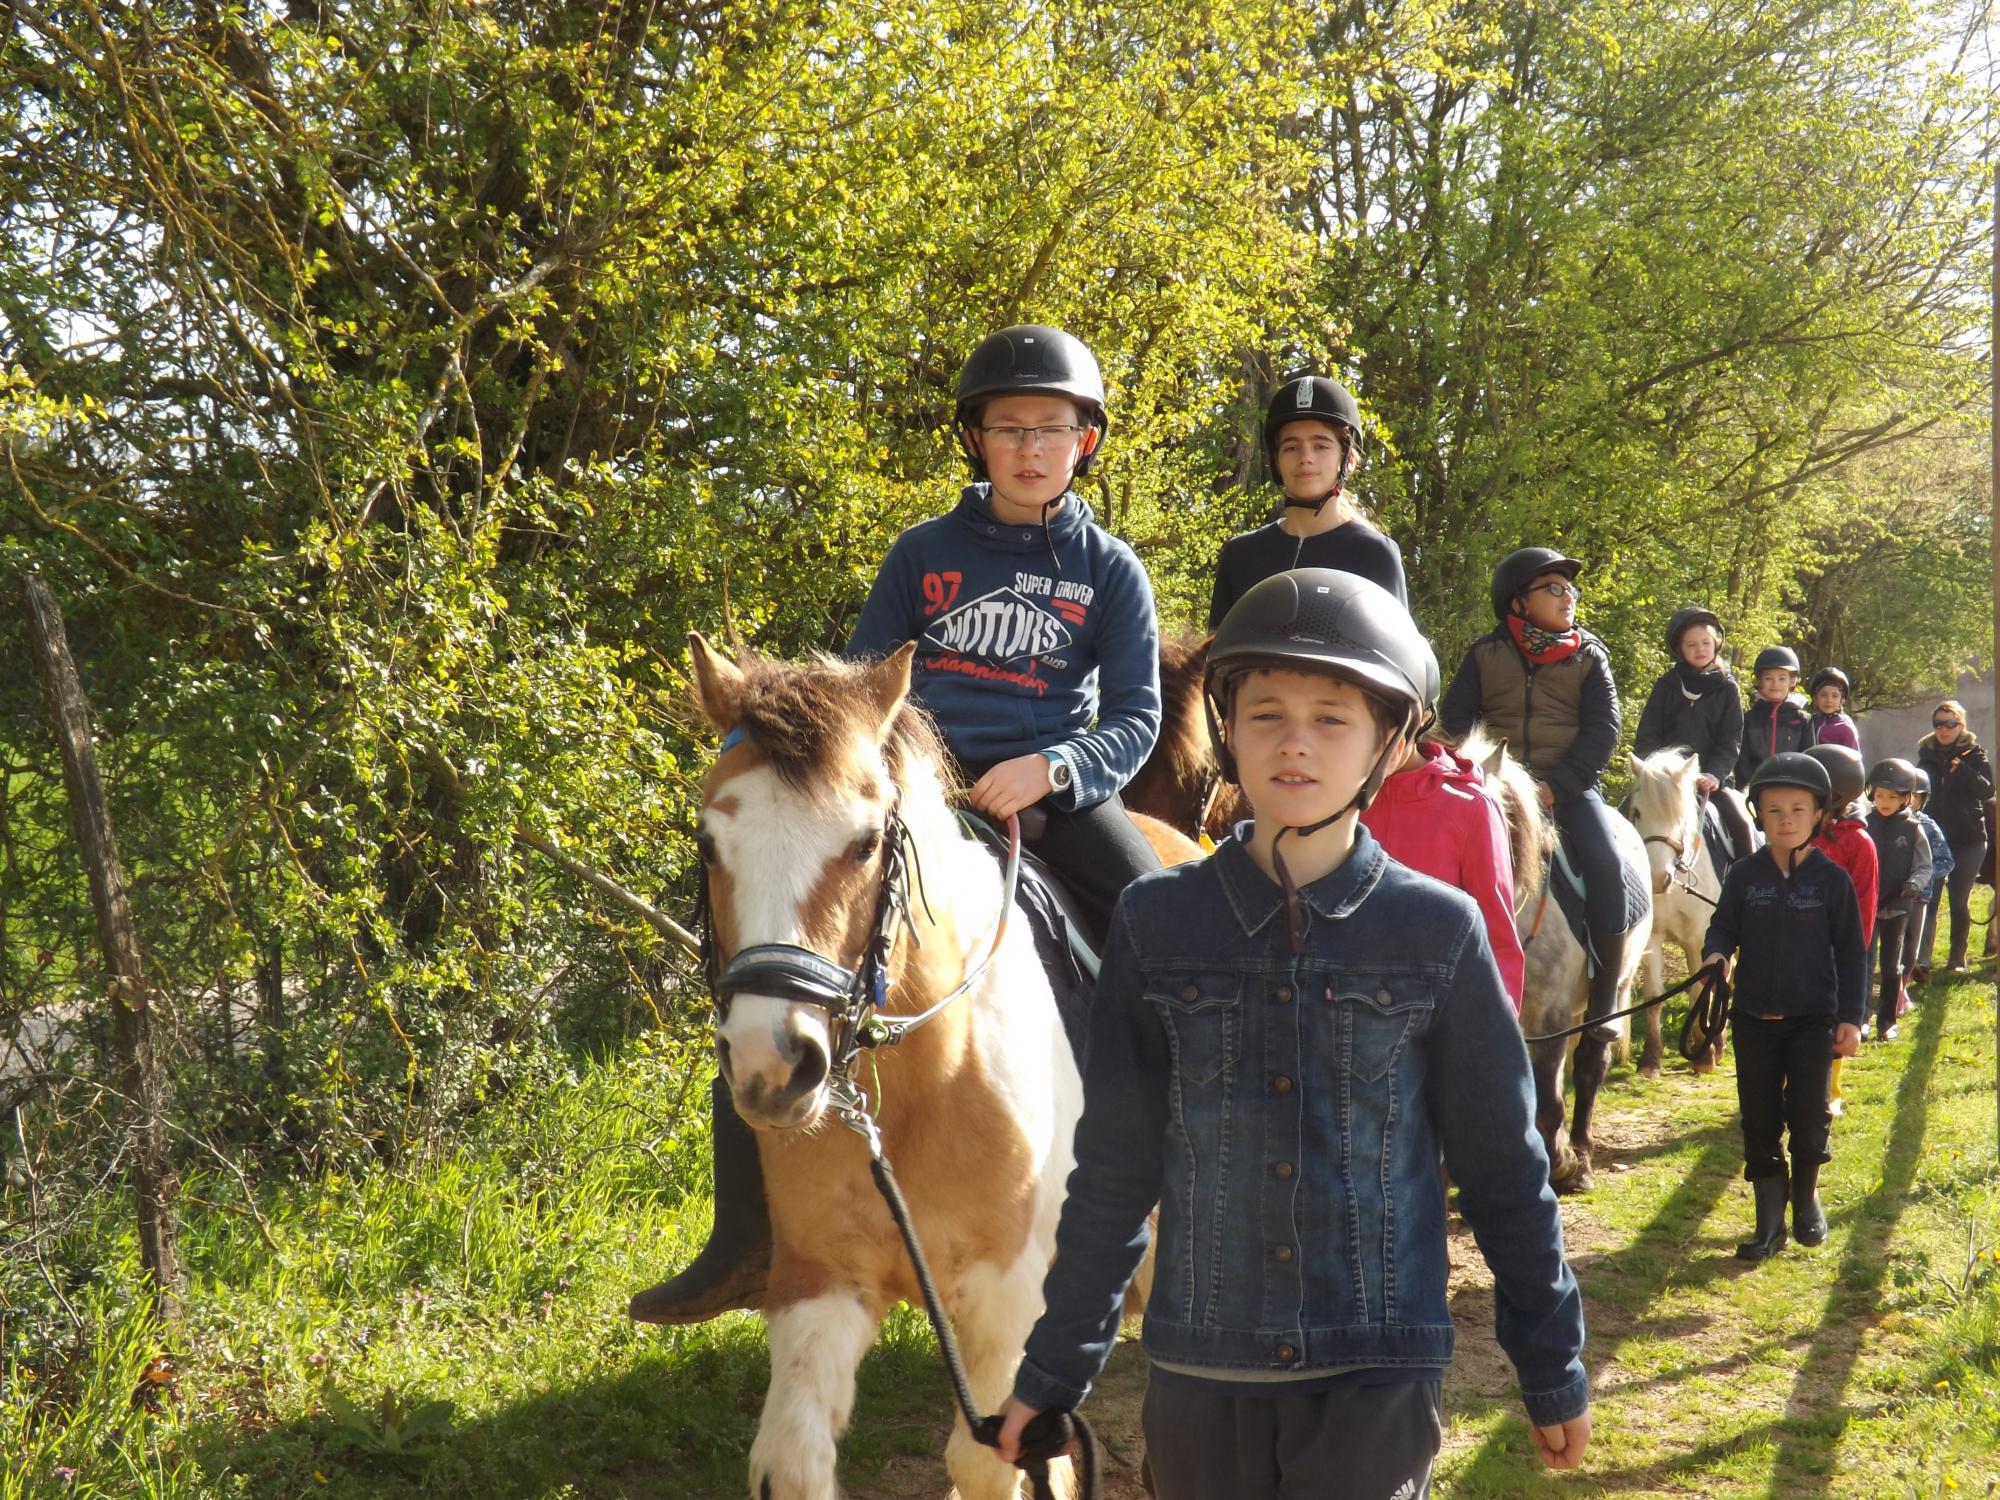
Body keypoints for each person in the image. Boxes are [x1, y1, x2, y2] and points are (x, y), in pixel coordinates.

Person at [995, 569, 1591, 1498]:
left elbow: (1504, 1168)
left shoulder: (1439, 932)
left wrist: (1551, 1361)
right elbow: (1114, 1172)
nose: (1295, 743)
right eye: (1266, 714)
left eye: (1331, 718)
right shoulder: (1154, 923)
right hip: (1201, 1379)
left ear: (1387, 742)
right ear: (1227, 730)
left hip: (1375, 1377)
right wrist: (1052, 1370)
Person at [629, 325, 1164, 1327]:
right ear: (976, 440)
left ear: (1084, 442)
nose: (1029, 447)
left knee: (1162, 925)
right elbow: (855, 698)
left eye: (1050, 429)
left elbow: (1136, 717)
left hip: (1052, 796)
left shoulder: (1109, 569)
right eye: (1008, 428)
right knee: (774, 973)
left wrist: (1052, 768)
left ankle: (1159, 1191)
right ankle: (742, 1243)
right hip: (917, 799)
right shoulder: (923, 554)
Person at [1440, 546, 1641, 1040]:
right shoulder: (1483, 655)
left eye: (1570, 589)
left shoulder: (1590, 656)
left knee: (1607, 866)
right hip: (1495, 785)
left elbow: (1604, 731)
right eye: (1553, 588)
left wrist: (1559, 785)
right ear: (1518, 602)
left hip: (1567, 789)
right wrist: (1468, 772)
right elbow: (1455, 722)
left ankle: (1603, 1003)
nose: (1567, 596)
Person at [1702, 752, 1867, 1261]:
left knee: (1809, 1115)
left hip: (1813, 1020)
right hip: (1753, 1018)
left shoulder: (1832, 880)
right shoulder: (1743, 875)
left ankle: (1806, 1197)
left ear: (1818, 814)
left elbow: (1852, 953)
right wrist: (1716, 955)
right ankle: (1768, 1221)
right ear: (1758, 814)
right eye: (1774, 810)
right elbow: (1723, 926)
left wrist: (1851, 1018)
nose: (1786, 819)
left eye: (1798, 809)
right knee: (1759, 1120)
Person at [1360, 632, 1526, 1012]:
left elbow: (1498, 943)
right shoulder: (1331, 802)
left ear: (1420, 718)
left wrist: (1492, 1036)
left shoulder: (1471, 809)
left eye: (1386, 714)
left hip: (1432, 1023)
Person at [1208, 376, 1406, 627]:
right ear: (1276, 461)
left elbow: (1395, 647)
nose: (1305, 458)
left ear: (1348, 459)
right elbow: (1217, 648)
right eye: (1291, 448)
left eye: (1321, 446)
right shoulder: (1240, 555)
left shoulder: (1374, 554)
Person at [1632, 605, 1753, 857]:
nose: (1700, 649)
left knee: (1742, 825)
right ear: (1679, 649)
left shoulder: (1728, 688)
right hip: (1665, 781)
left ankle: (1750, 877)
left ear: (1716, 644)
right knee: (1623, 818)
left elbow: (1731, 739)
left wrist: (1714, 775)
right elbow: (1648, 734)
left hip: (1710, 781)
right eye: (1691, 644)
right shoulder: (1666, 686)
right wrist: (1652, 773)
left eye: (1706, 643)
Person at [1805, 744, 1876, 1118]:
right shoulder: (1798, 830)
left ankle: (1827, 1090)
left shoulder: (1857, 841)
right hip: (1794, 943)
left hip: (1834, 948)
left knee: (1831, 1024)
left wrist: (1851, 953)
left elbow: (1864, 901)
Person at [1915, 698, 1993, 973]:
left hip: (1969, 837)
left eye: (1950, 723)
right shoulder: (1925, 755)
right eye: (1938, 724)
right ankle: (1921, 962)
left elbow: (1987, 790)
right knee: (1929, 899)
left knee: (1958, 900)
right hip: (1934, 837)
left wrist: (1964, 771)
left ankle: (1957, 960)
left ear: (1961, 725)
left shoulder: (1975, 754)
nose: (1944, 729)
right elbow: (1916, 793)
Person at [1862, 758, 1931, 1043]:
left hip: (1898, 906)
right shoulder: (1864, 824)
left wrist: (1914, 884)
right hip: (1867, 906)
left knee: (1891, 967)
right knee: (1865, 963)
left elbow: (1924, 865)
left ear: (1906, 798)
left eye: (1892, 797)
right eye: (1879, 795)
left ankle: (1887, 1022)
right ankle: (1861, 1019)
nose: (1884, 802)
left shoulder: (1913, 828)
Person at [1735, 646, 1813, 788]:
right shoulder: (1748, 719)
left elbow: (1808, 761)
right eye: (1768, 678)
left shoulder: (1803, 721)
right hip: (1754, 788)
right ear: (1759, 681)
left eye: (1782, 678)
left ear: (1792, 681)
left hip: (1792, 789)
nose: (1775, 684)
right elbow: (1742, 762)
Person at [1905, 767, 1954, 985]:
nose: (1909, 800)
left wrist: (1922, 875)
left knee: (1916, 934)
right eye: (1904, 794)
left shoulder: (1928, 826)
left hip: (1919, 895)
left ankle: (1919, 965)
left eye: (1915, 796)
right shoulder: (1885, 823)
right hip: (1892, 894)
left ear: (1923, 799)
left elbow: (1946, 861)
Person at [1807, 668, 1859, 751]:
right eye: (1823, 695)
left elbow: (1854, 756)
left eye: (1835, 696)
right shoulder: (1809, 723)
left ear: (1842, 700)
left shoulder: (1845, 727)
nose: (1829, 700)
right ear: (1815, 698)